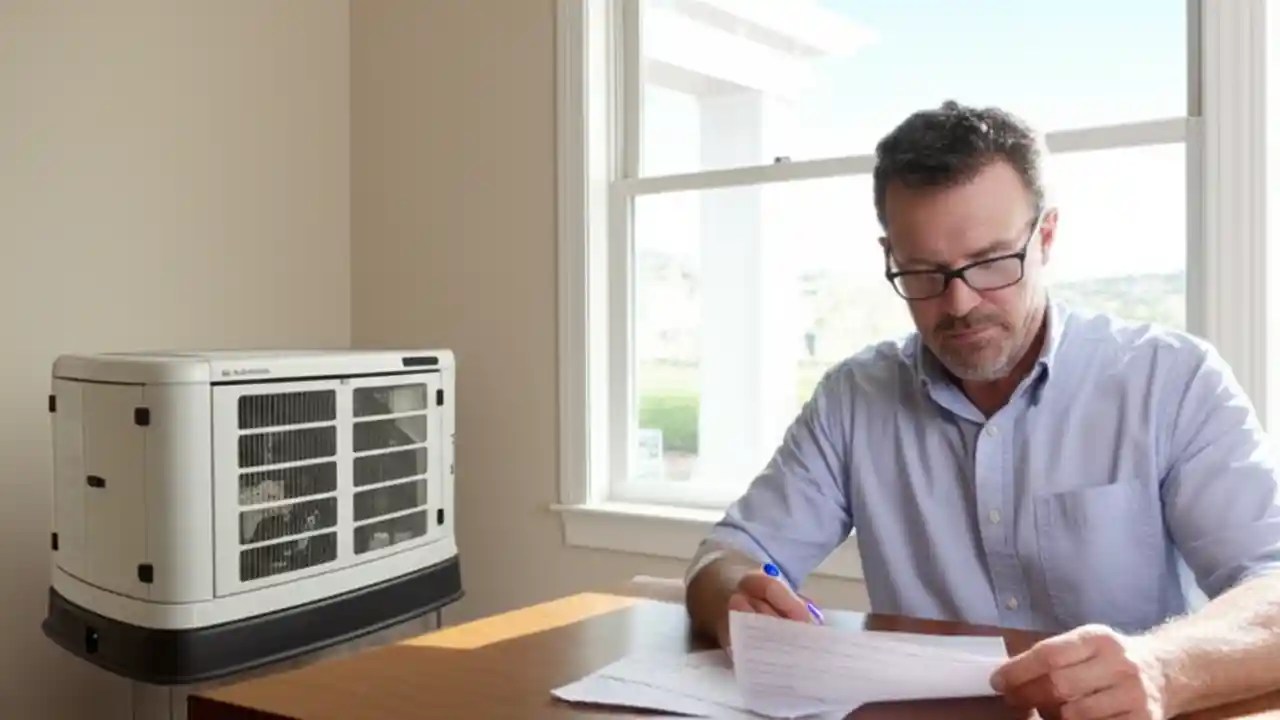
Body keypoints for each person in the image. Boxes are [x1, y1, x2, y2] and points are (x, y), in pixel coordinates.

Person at [683, 100, 1280, 720]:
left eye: (992, 263)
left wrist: (1162, 666)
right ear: (891, 256)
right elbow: (730, 553)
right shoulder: (853, 400)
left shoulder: (1171, 381)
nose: (960, 303)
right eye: (922, 272)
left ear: (1045, 238)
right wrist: (735, 595)